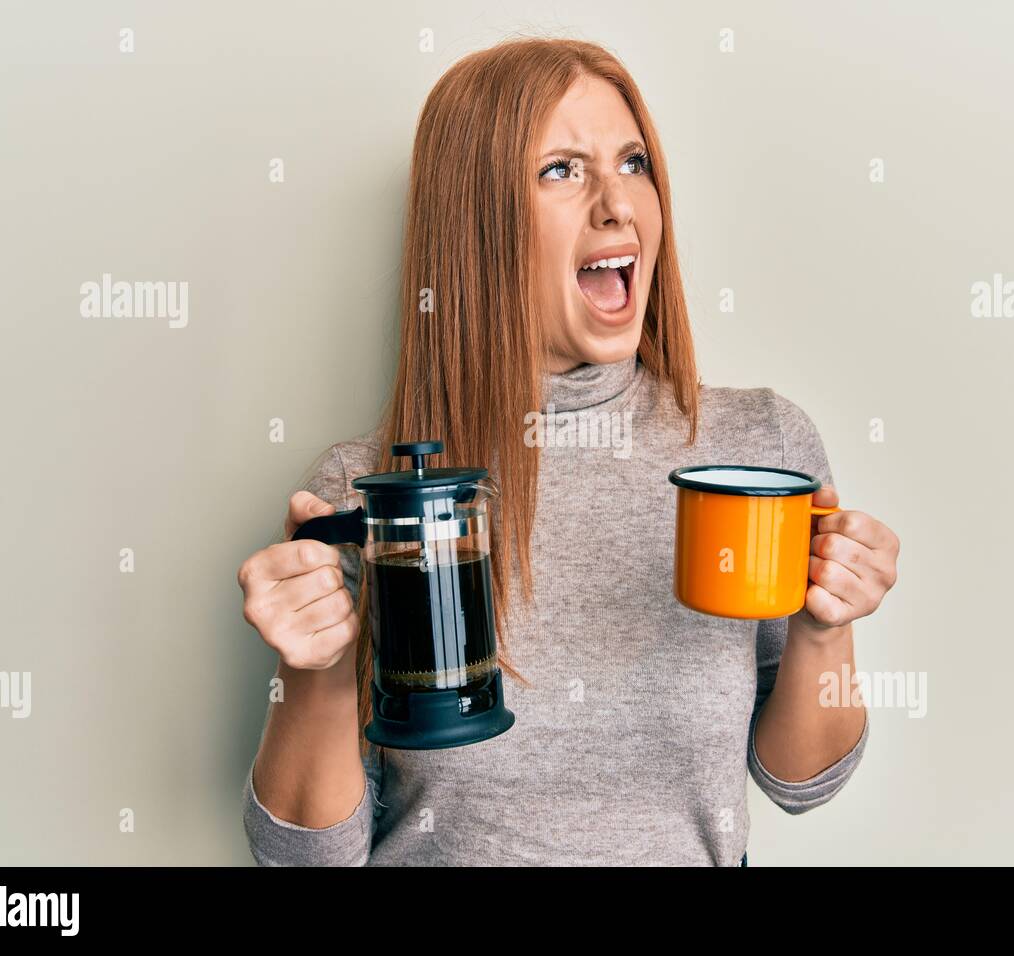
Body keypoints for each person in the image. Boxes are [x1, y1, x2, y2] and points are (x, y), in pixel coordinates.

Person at [237, 37, 900, 866]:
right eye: (562, 170)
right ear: (477, 223)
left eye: (633, 162)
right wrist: (316, 673)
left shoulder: (758, 447)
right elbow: (303, 858)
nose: (617, 204)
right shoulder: (367, 496)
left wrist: (824, 628)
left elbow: (804, 782)